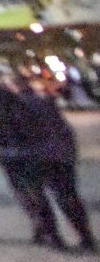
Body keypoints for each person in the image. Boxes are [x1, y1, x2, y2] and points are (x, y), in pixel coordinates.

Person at [0, 70, 55, 246]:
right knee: (33, 188)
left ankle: (40, 225)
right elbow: (24, 117)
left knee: (22, 189)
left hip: (5, 149)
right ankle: (49, 229)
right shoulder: (4, 94)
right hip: (18, 147)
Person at [13, 74, 95, 251]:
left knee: (42, 198)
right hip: (61, 155)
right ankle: (85, 236)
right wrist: (70, 152)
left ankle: (54, 238)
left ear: (16, 87)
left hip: (40, 157)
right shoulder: (45, 102)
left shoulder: (18, 107)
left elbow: (22, 136)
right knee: (69, 197)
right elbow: (64, 128)